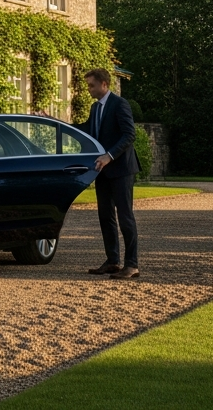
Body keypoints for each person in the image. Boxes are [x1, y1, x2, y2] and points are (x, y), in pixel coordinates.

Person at [75, 67, 141, 280]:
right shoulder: (95, 108)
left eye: (91, 85)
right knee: (105, 216)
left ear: (104, 84)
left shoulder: (120, 104)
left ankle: (132, 265)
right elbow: (85, 130)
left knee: (125, 217)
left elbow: (129, 135)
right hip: (102, 171)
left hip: (121, 169)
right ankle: (113, 261)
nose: (89, 89)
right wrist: (55, 122)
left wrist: (108, 156)